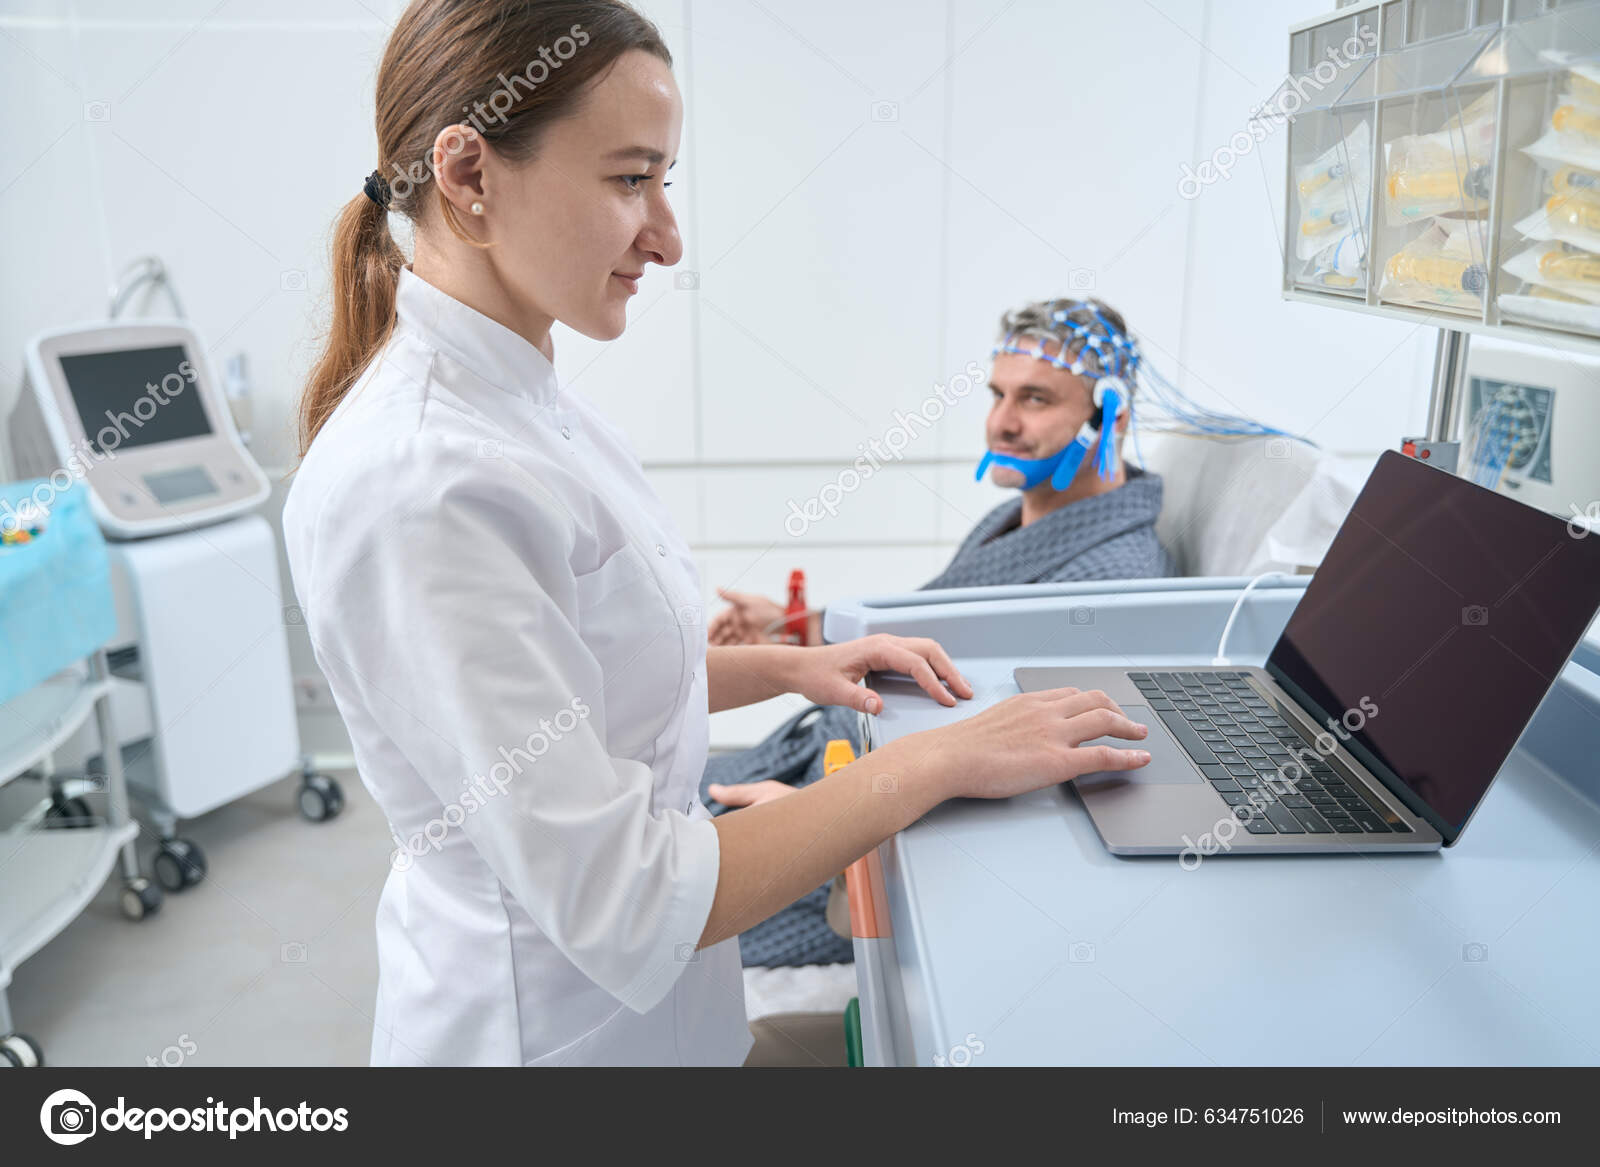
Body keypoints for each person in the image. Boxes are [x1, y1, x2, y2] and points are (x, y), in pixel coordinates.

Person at [283, 0, 1152, 1068]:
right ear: (468, 177)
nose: (667, 235)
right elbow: (625, 900)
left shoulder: (527, 400)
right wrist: (939, 764)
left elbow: (591, 680)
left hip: (666, 1024)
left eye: (665, 182)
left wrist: (799, 663)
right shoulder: (425, 482)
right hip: (552, 1040)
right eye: (627, 179)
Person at [704, 299, 1178, 968]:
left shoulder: (1109, 584)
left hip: (864, 837)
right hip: (837, 775)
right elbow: (942, 637)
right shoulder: (1023, 521)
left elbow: (1019, 782)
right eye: (997, 394)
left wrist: (816, 820)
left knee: (647, 923)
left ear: (1111, 415)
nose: (1001, 422)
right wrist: (793, 631)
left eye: (1034, 399)